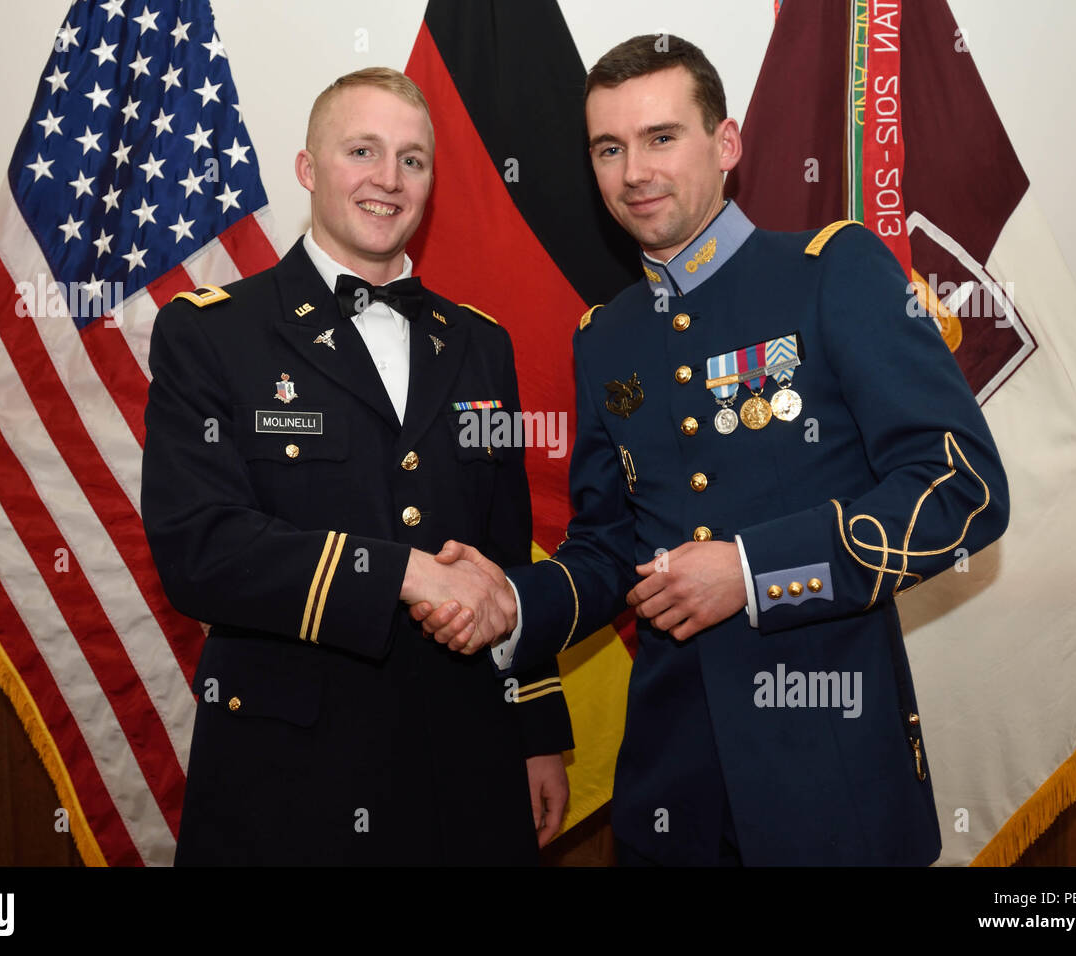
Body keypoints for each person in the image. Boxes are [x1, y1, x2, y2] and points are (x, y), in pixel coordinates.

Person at [413, 35, 1009, 866]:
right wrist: (515, 602)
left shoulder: (832, 272)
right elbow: (606, 546)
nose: (634, 172)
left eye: (661, 138)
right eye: (609, 149)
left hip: (833, 782)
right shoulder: (605, 337)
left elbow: (962, 486)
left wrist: (755, 569)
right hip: (671, 794)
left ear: (725, 145)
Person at [141, 67, 572, 865]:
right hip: (292, 776)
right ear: (308, 170)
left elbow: (508, 552)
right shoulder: (213, 335)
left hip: (465, 763)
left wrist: (536, 730)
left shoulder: (483, 346)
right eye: (362, 151)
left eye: (413, 159)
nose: (388, 179)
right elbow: (199, 550)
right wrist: (404, 574)